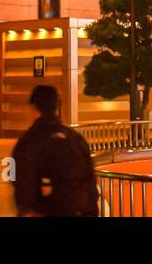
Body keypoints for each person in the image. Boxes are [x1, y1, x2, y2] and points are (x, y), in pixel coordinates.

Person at [11, 84, 98, 217]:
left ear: (33, 107)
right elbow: (90, 177)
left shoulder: (29, 140)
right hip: (81, 210)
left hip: (48, 211)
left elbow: (22, 180)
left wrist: (26, 209)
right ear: (56, 108)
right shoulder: (75, 138)